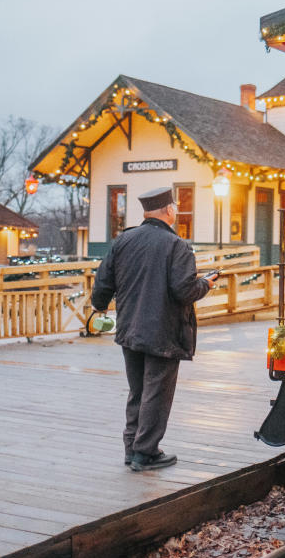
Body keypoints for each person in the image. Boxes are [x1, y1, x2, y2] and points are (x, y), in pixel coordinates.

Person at [91, 187, 216, 472]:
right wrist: (206, 284)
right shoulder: (177, 245)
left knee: (137, 391)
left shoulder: (123, 240)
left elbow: (103, 283)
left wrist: (99, 305)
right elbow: (184, 291)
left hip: (129, 329)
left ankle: (131, 448)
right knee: (156, 393)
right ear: (169, 210)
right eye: (175, 207)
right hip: (163, 331)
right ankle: (145, 453)